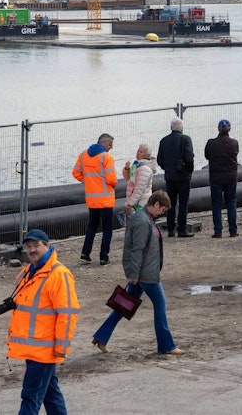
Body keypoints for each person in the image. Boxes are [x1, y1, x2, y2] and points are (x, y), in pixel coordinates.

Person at [91, 191, 184, 355]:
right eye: (162, 210)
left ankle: (101, 337)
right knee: (160, 304)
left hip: (142, 271)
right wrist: (134, 274)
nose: (162, 213)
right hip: (145, 273)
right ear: (156, 205)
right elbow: (137, 249)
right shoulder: (142, 221)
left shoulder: (144, 217)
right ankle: (166, 345)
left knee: (124, 304)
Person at [6, 229, 79, 415]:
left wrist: (61, 347)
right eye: (28, 247)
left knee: (30, 397)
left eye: (36, 245)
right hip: (34, 348)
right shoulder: (29, 272)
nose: (32, 250)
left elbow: (67, 313)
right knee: (49, 394)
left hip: (44, 350)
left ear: (47, 246)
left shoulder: (58, 274)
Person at [73, 134, 118, 265]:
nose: (111, 147)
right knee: (107, 229)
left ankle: (85, 253)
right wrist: (114, 184)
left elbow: (76, 173)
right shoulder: (106, 157)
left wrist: (88, 182)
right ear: (103, 143)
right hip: (105, 199)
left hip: (92, 199)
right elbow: (111, 179)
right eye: (110, 144)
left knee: (92, 227)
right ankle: (104, 257)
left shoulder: (83, 155)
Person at [156, 117, 195, 237]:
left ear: (171, 128)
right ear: (182, 128)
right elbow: (189, 158)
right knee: (183, 203)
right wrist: (189, 169)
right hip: (183, 177)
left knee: (170, 203)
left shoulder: (164, 141)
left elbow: (159, 159)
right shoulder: (186, 139)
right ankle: (182, 229)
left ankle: (171, 229)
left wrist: (167, 168)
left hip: (170, 177)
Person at [204, 119, 239, 238]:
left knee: (216, 205)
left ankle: (218, 231)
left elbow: (207, 156)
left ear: (218, 129)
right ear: (229, 129)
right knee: (231, 203)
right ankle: (233, 230)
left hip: (216, 177)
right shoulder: (234, 143)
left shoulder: (211, 143)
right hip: (231, 177)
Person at [122, 144, 157, 225]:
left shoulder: (145, 168)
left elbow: (139, 189)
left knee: (138, 225)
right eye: (138, 151)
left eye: (141, 152)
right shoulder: (137, 165)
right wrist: (127, 169)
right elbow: (129, 179)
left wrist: (130, 204)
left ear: (146, 155)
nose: (138, 153)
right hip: (134, 201)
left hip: (140, 203)